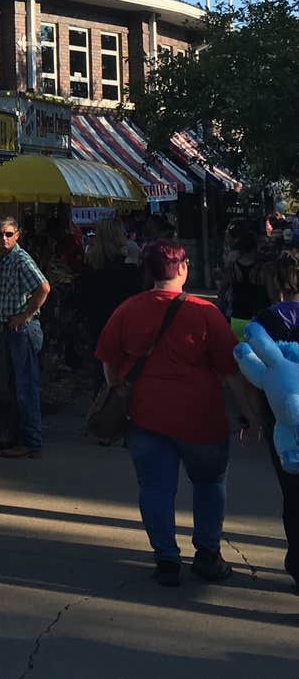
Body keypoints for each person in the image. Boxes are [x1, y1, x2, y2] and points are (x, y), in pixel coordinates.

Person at [96, 240, 262, 587]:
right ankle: (206, 554)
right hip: (201, 418)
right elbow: (231, 372)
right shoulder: (205, 313)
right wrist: (250, 414)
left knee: (155, 488)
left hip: (145, 416)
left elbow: (109, 362)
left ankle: (166, 558)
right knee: (209, 484)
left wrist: (121, 391)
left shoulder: (127, 310)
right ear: (183, 269)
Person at [253, 246, 299, 592]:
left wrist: (252, 415)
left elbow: (253, 369)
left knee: (292, 492)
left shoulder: (266, 319)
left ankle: (297, 558)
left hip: (280, 418)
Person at [0, 217, 50, 459]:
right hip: (11, 329)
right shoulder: (6, 260)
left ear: (17, 235)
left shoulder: (20, 259)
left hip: (23, 331)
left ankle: (32, 441)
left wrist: (25, 315)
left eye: (8, 234)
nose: (3, 239)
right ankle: (19, 437)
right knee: (17, 387)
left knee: (26, 387)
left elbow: (44, 287)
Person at [81, 218, 140, 403]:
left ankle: (101, 411)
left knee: (100, 375)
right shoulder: (128, 270)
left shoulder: (90, 268)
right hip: (123, 329)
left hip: (97, 326)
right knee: (122, 376)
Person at [222, 227, 267, 336]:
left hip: (237, 315)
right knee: (258, 350)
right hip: (257, 317)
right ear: (254, 248)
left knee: (240, 349)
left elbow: (223, 290)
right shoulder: (262, 268)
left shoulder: (232, 268)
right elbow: (272, 295)